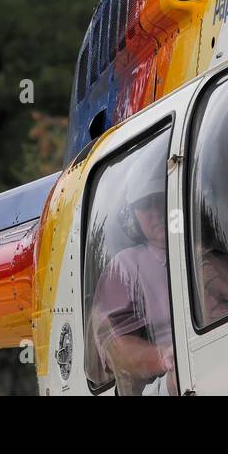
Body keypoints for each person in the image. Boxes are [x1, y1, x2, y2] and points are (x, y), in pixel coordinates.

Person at [90, 167, 177, 396]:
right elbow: (117, 348)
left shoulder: (209, 254)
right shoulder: (125, 267)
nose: (156, 211)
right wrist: (162, 356)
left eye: (159, 198)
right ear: (132, 216)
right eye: (145, 204)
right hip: (163, 384)